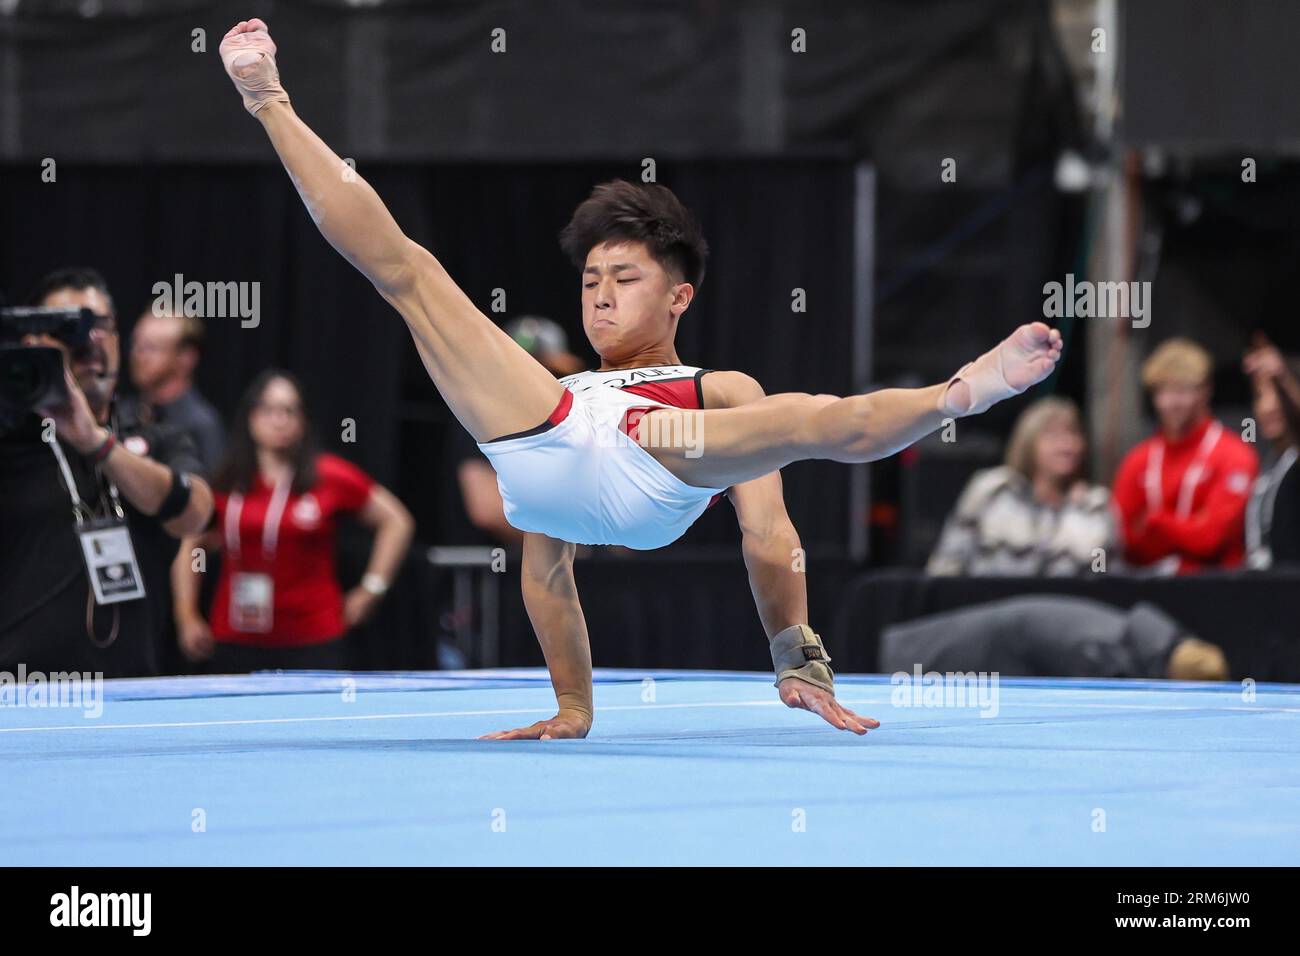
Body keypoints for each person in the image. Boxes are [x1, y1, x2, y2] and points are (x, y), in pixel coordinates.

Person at [217, 19, 1063, 737]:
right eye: (589, 281)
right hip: (549, 451)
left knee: (806, 419)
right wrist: (573, 704)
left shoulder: (715, 384)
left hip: (658, 450)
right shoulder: (557, 392)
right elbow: (547, 568)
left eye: (624, 278)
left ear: (678, 295)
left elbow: (767, 533)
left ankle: (960, 391)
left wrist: (794, 652)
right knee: (411, 275)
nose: (601, 296)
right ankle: (267, 100)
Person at [0, 268, 213, 676]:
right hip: (20, 696)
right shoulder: (12, 440)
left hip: (131, 697)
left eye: (101, 326)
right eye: (69, 328)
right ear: (33, 342)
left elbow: (196, 514)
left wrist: (96, 442)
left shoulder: (156, 437)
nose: (89, 340)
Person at [173, 370, 414, 670]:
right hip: (235, 637)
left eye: (289, 410)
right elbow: (190, 542)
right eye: (269, 409)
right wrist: (187, 615)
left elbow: (397, 521)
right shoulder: (227, 481)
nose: (279, 419)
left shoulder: (328, 475)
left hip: (313, 639)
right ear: (251, 417)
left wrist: (372, 589)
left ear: (302, 421)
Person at [1112, 338, 1258, 574]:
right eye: (1162, 391)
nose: (1170, 403)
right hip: (1151, 590)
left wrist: (1154, 522)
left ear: (1205, 391)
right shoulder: (1138, 459)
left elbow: (1212, 537)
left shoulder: (1235, 455)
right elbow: (1124, 541)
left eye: (1181, 391)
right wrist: (1191, 526)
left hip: (1216, 590)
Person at [927, 397, 1116, 576]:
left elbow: (1109, 580)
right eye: (1053, 436)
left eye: (1073, 434)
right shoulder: (993, 490)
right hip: (991, 605)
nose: (1066, 445)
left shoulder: (1096, 506)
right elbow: (947, 565)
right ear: (1029, 442)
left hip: (1066, 607)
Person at [880, 596, 1228, 681]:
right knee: (929, 657)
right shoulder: (1107, 653)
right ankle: (894, 657)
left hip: (1026, 632)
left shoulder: (1152, 637)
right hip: (1006, 636)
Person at [122, 308, 225, 473]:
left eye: (151, 348)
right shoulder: (122, 413)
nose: (138, 356)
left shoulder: (202, 426)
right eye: (136, 344)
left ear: (186, 358)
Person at [1242, 335, 1300, 568]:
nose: (1268, 406)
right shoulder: (1268, 465)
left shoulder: (1296, 463)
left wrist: (1284, 379)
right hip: (1264, 590)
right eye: (1260, 396)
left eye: (1276, 395)